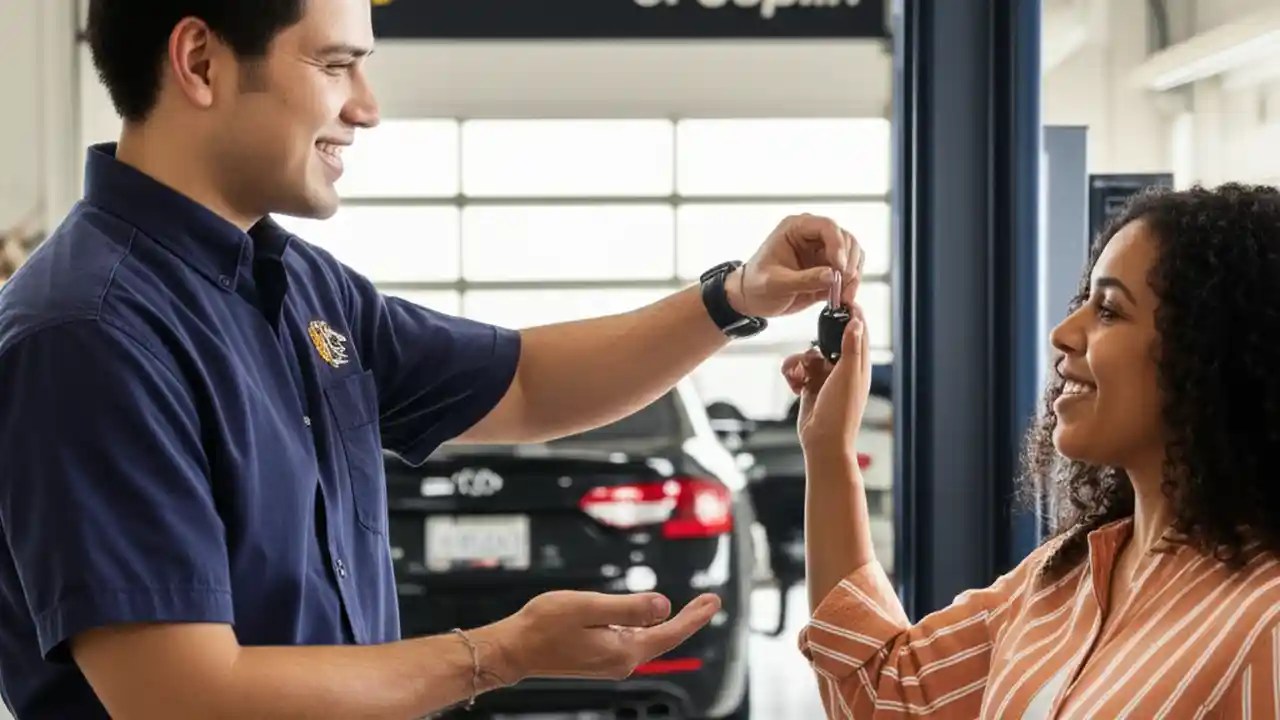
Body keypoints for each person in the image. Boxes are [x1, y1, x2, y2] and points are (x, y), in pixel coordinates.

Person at [0, 1, 864, 718]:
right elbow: (184, 697)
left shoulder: (300, 286)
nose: (367, 107)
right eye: (337, 65)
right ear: (200, 62)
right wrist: (496, 654)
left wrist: (734, 299)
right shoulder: (90, 335)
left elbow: (525, 382)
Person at [786, 183, 1280, 718]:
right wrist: (830, 449)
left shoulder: (1265, 629)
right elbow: (887, 691)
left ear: (1210, 352)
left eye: (1110, 311)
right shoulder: (1065, 575)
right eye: (1084, 302)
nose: (1064, 332)